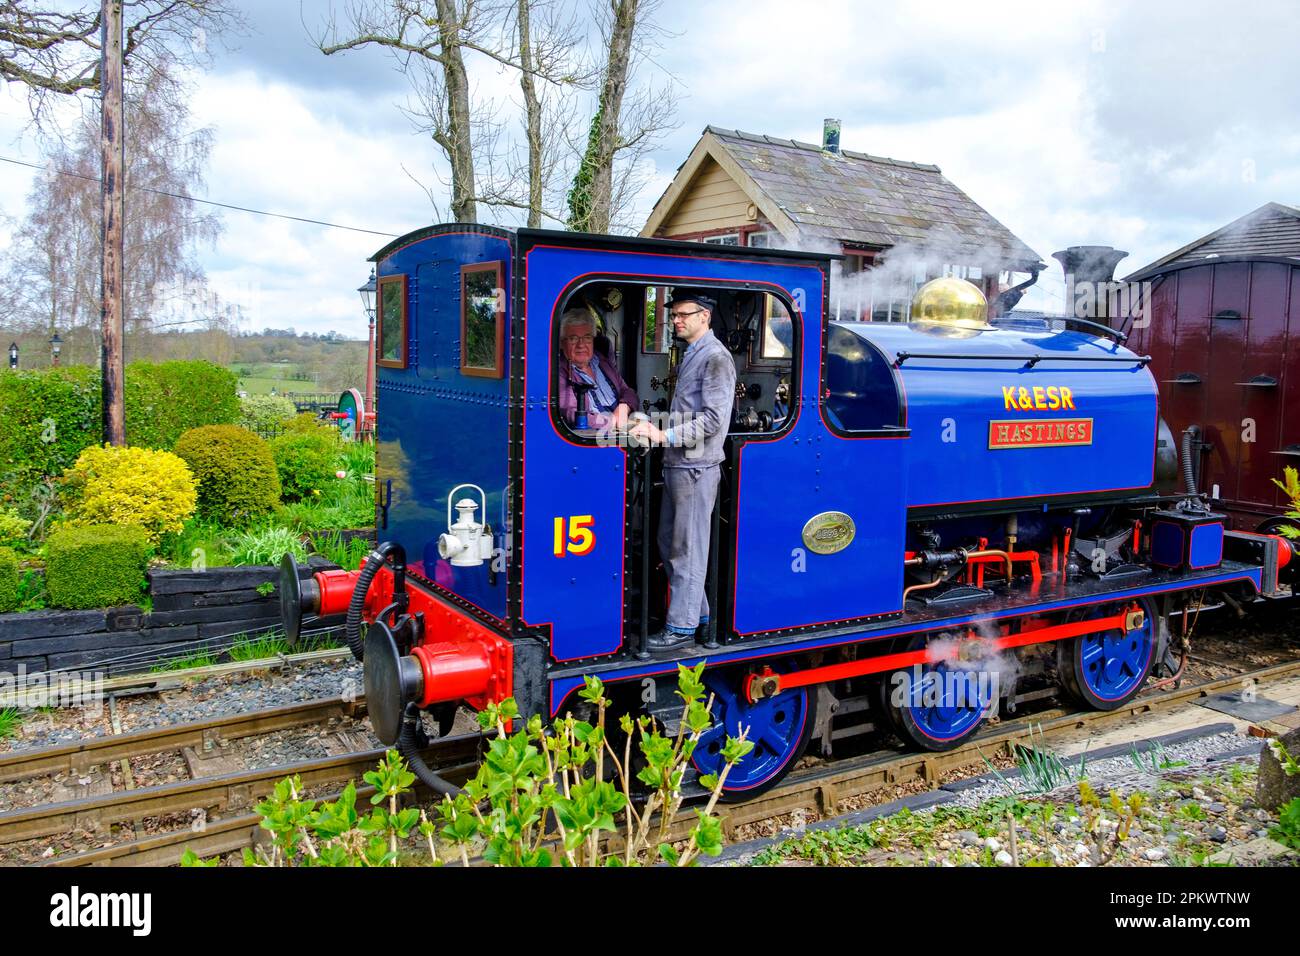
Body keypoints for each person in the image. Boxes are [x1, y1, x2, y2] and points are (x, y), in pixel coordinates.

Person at [628, 291, 736, 650]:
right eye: (673, 314)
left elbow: (713, 420)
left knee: (686, 549)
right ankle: (701, 618)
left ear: (704, 316)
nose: (676, 320)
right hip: (680, 463)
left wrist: (663, 434)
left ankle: (682, 628)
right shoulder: (695, 353)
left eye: (682, 314)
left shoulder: (716, 358)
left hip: (696, 468)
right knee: (669, 543)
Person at [557, 308, 638, 429]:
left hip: (620, 430)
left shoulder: (602, 360)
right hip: (591, 438)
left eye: (587, 337)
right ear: (562, 343)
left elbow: (628, 392)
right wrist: (612, 423)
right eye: (573, 338)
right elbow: (570, 413)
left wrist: (623, 408)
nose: (581, 345)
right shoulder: (558, 371)